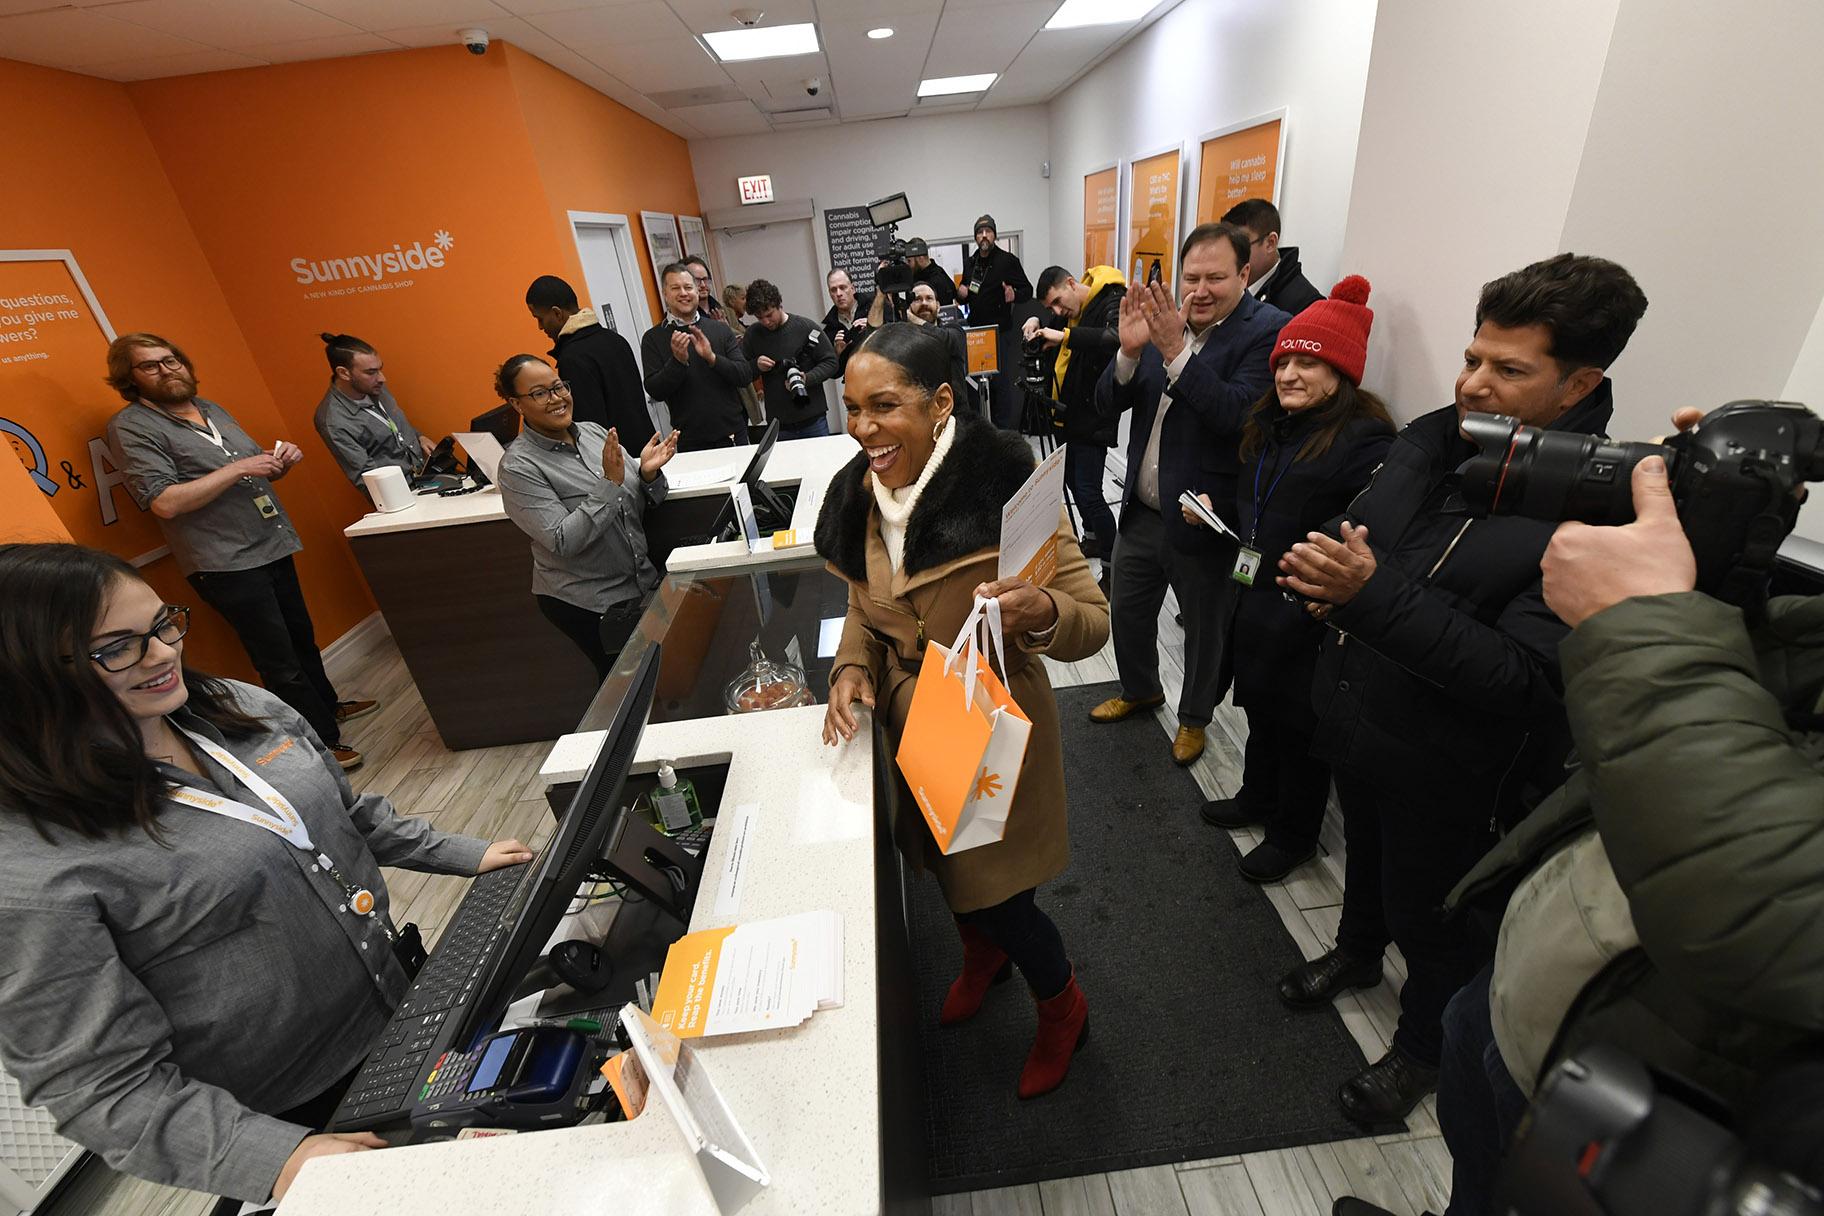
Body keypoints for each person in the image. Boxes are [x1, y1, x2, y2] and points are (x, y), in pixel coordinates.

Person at [1341, 429, 1824, 1216]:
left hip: (1653, 1062)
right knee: (1477, 1114)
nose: (1477, 385)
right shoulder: (1425, 450)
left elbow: (1777, 908)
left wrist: (1645, 619)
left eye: (1506, 365)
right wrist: (1717, 555)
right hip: (1542, 963)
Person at [0, 542, 533, 1203]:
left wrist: (458, 852)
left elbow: (339, 811)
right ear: (23, 673)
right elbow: (104, 1089)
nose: (164, 654)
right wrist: (286, 1158)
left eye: (163, 624)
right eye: (117, 648)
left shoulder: (235, 706)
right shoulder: (26, 863)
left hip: (407, 1010)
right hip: (303, 1106)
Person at [1275, 253, 1649, 1129]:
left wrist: (1367, 595)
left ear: (1580, 383)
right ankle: (1356, 953)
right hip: (1361, 711)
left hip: (1453, 764)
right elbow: (1373, 539)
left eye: (1508, 370)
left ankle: (1419, 1051)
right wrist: (1328, 559)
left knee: (1433, 917)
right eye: (1473, 357)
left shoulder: (1605, 510)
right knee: (1363, 858)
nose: (1473, 383)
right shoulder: (1437, 436)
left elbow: (1524, 680)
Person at [815, 322, 1109, 1098]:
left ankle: (1064, 1008)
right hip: (914, 725)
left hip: (993, 725)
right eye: (851, 408)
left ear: (941, 402)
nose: (863, 428)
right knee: (949, 878)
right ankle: (983, 960)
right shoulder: (860, 495)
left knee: (1005, 895)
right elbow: (866, 608)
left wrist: (1039, 608)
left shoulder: (1007, 485)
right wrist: (852, 664)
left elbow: (1092, 617)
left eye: (883, 405)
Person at [1184, 278, 1395, 882]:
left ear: (1341, 372)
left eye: (1309, 361)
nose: (1290, 374)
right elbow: (1257, 502)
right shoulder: (1273, 426)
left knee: (1300, 727)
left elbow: (1359, 526)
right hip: (1257, 598)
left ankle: (1294, 834)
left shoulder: (1366, 439)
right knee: (1261, 706)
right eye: (1285, 360)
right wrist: (1216, 506)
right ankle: (1256, 797)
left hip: (1308, 611)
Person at [105, 333, 374, 771]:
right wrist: (241, 468)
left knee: (301, 637)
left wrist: (276, 464)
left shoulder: (210, 409)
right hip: (224, 559)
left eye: (171, 360)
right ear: (128, 378)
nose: (167, 370)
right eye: (150, 366)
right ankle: (319, 744)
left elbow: (245, 469)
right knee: (277, 658)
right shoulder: (131, 426)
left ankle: (327, 706)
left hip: (270, 542)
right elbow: (164, 501)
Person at [1088, 224, 1288, 766]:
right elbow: (1107, 406)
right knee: (1127, 613)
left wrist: (1175, 349)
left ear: (1244, 274)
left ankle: (1194, 718)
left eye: (1215, 278)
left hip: (1206, 520)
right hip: (1142, 511)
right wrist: (1129, 354)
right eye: (1191, 277)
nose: (1200, 290)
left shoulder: (1267, 332)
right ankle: (1141, 689)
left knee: (1204, 629)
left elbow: (1236, 415)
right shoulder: (1160, 327)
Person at [493, 355, 678, 679]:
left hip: (639, 583)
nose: (556, 398)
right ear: (516, 404)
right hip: (588, 601)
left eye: (558, 387)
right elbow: (564, 540)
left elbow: (642, 502)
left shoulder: (594, 433)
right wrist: (609, 483)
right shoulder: (518, 467)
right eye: (539, 393)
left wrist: (647, 475)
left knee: (657, 675)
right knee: (622, 687)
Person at [1026, 264, 1128, 560]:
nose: (1057, 312)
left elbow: (1115, 338)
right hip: (1067, 415)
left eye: (1058, 302)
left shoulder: (1111, 299)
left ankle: (1112, 562)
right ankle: (1093, 537)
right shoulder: (1069, 311)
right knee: (1071, 482)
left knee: (1090, 493)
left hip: (1094, 416)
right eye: (1050, 307)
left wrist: (1066, 337)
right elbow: (1053, 321)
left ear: (1071, 283)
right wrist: (1035, 320)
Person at [524, 274, 654, 448]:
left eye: (539, 318)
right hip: (647, 448)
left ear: (557, 313)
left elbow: (590, 428)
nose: (540, 326)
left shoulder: (572, 357)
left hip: (619, 460)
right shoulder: (615, 339)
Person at [639, 262, 753, 451]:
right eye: (675, 288)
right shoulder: (654, 338)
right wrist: (677, 362)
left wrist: (712, 358)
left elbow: (744, 375)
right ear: (665, 294)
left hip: (732, 435)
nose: (683, 293)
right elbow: (655, 390)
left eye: (688, 287)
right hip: (690, 442)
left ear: (696, 292)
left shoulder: (719, 329)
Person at [311, 333, 434, 492]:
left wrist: (419, 437)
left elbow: (393, 425)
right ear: (344, 373)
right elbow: (366, 477)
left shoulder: (373, 386)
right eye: (371, 372)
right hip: (401, 494)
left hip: (426, 477)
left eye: (380, 369)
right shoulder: (333, 421)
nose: (382, 378)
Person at [954, 215, 1033, 429]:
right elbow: (967, 293)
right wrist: (961, 294)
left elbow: (1028, 290)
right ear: (975, 237)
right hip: (976, 333)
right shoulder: (971, 263)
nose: (984, 236)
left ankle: (1004, 432)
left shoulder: (1008, 261)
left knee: (1001, 385)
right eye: (980, 233)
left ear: (994, 235)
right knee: (979, 385)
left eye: (988, 231)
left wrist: (1014, 294)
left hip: (1000, 333)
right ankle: (985, 431)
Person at [741, 278, 839, 439]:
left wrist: (807, 378)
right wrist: (755, 366)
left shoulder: (806, 327)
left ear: (779, 305)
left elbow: (831, 362)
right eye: (759, 318)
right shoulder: (753, 335)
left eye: (769, 315)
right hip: (779, 424)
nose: (766, 322)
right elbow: (742, 372)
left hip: (813, 419)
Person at [1222, 199, 1324, 317]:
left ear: (1270, 243)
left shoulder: (1307, 305)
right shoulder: (1228, 286)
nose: (1229, 255)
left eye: (1240, 245)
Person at [905, 281, 974, 412]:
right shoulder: (905, 338)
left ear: (938, 306)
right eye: (917, 299)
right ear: (909, 307)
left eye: (929, 298)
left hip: (956, 416)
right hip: (920, 415)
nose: (924, 303)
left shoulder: (954, 330)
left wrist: (914, 320)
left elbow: (943, 340)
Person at [720, 281, 765, 426]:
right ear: (732, 301)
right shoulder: (727, 317)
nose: (746, 302)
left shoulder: (740, 324)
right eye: (743, 298)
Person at [823, 268, 875, 372]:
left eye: (843, 287)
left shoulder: (874, 307)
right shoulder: (829, 327)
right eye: (833, 290)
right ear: (830, 294)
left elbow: (897, 335)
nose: (838, 293)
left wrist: (874, 326)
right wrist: (838, 354)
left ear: (853, 288)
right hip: (856, 380)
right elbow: (834, 373)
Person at [905, 237, 956, 305]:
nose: (907, 265)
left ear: (920, 258)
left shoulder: (939, 279)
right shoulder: (915, 277)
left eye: (909, 261)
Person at [684, 255, 724, 320]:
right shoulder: (683, 316)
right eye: (697, 280)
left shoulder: (725, 311)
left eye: (705, 279)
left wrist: (726, 329)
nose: (703, 285)